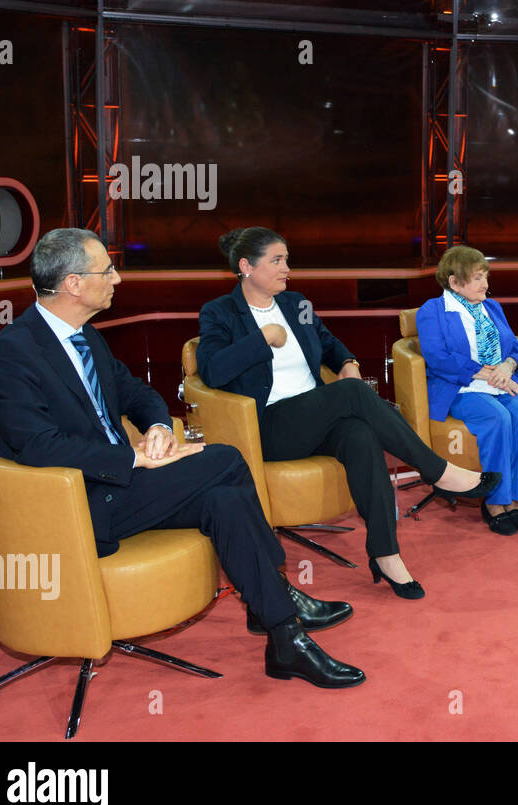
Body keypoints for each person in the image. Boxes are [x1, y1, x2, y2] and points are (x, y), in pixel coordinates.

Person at [0, 228, 364, 688]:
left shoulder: (85, 337)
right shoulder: (12, 352)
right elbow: (37, 446)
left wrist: (158, 428)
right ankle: (279, 597)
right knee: (226, 459)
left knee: (226, 500)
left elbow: (136, 393)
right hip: (78, 503)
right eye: (108, 271)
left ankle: (284, 636)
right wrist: (133, 462)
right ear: (74, 284)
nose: (117, 279)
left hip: (121, 488)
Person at [196, 227, 500, 599]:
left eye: (286, 260)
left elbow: (328, 343)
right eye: (277, 261)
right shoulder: (220, 312)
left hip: (313, 416)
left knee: (360, 435)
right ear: (246, 266)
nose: (286, 268)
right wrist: (261, 340)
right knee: (354, 396)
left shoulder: (295, 304)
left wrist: (348, 361)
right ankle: (437, 471)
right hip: (268, 426)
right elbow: (210, 369)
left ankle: (386, 554)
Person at [416, 245, 518, 535]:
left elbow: (516, 349)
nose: (485, 284)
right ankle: (495, 502)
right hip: (462, 387)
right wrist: (488, 373)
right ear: (454, 282)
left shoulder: (492, 308)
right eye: (477, 278)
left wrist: (507, 367)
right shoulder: (432, 311)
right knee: (498, 418)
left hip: (500, 381)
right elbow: (438, 358)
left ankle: (513, 500)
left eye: (485, 276)